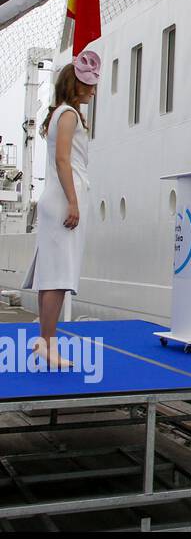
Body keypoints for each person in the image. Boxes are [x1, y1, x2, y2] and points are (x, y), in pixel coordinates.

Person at [21, 48, 100, 369]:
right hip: (65, 197)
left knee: (52, 275)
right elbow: (63, 159)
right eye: (89, 84)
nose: (93, 90)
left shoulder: (59, 114)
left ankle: (45, 340)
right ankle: (48, 343)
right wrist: (73, 201)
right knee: (58, 277)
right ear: (75, 84)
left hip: (57, 196)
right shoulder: (68, 114)